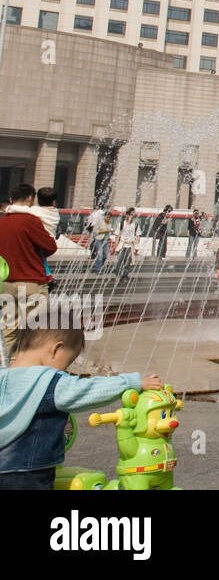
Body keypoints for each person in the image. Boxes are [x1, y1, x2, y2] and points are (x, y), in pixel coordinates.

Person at [0, 328, 161, 489]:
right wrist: (133, 382)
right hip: (28, 474)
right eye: (68, 362)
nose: (65, 370)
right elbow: (89, 390)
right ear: (56, 349)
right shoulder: (50, 382)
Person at [0, 198, 58, 360]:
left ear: (12, 199)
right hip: (30, 281)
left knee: (9, 330)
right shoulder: (31, 221)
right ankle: (30, 367)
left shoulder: (2, 222)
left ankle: (10, 367)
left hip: (5, 284)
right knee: (37, 327)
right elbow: (50, 247)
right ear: (30, 199)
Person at [112, 208, 140, 282]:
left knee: (128, 262)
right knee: (119, 260)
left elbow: (137, 236)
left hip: (130, 245)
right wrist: (115, 246)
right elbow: (117, 235)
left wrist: (137, 247)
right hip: (122, 245)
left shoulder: (136, 225)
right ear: (127, 215)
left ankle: (125, 275)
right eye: (130, 214)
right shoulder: (121, 224)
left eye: (133, 215)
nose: (132, 216)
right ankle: (117, 274)